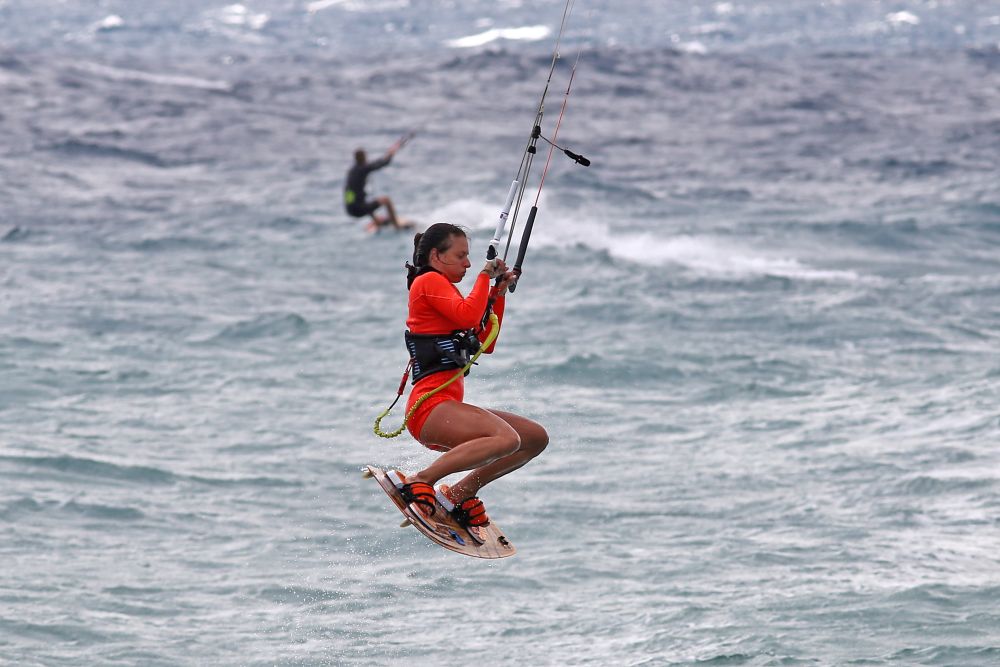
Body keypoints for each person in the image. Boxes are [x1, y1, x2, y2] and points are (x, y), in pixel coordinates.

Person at [396, 222, 548, 531]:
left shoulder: (447, 294)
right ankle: (421, 480)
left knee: (533, 438)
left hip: (446, 407)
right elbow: (467, 314)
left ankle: (461, 492)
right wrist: (482, 276)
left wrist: (497, 293)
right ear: (437, 256)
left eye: (470, 257)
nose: (468, 263)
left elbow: (486, 343)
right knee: (506, 439)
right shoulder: (427, 282)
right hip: (428, 409)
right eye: (461, 255)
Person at [344, 145, 407, 232]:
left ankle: (377, 222)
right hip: (357, 209)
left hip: (350, 209)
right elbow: (381, 163)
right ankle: (397, 226)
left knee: (364, 202)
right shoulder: (363, 169)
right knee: (386, 200)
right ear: (363, 158)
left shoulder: (352, 171)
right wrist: (390, 154)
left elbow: (349, 193)